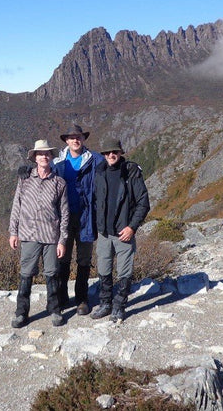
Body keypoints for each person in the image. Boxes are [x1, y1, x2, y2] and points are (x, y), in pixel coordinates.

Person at [8, 139, 69, 328]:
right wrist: (13, 231)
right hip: (28, 234)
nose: (44, 156)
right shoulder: (25, 179)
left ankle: (55, 310)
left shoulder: (59, 183)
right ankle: (21, 313)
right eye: (40, 154)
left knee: (52, 273)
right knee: (26, 274)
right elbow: (16, 205)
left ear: (51, 157)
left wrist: (62, 240)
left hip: (51, 236)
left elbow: (65, 212)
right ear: (34, 157)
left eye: (47, 153)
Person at [90, 138, 150, 323]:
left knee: (124, 272)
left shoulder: (131, 172)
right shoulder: (99, 172)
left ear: (120, 152)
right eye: (107, 153)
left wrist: (132, 227)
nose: (111, 155)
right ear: (104, 155)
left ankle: (119, 306)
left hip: (123, 233)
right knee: (104, 269)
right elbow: (94, 201)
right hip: (104, 233)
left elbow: (143, 203)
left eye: (114, 152)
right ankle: (106, 303)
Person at [52, 124, 104, 316]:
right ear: (66, 140)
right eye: (72, 137)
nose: (76, 140)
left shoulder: (95, 160)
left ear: (83, 139)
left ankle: (82, 299)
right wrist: (26, 171)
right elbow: (42, 172)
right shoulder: (58, 162)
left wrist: (130, 167)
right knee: (62, 258)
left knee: (84, 259)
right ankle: (62, 296)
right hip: (63, 218)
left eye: (79, 137)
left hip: (86, 217)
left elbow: (113, 165)